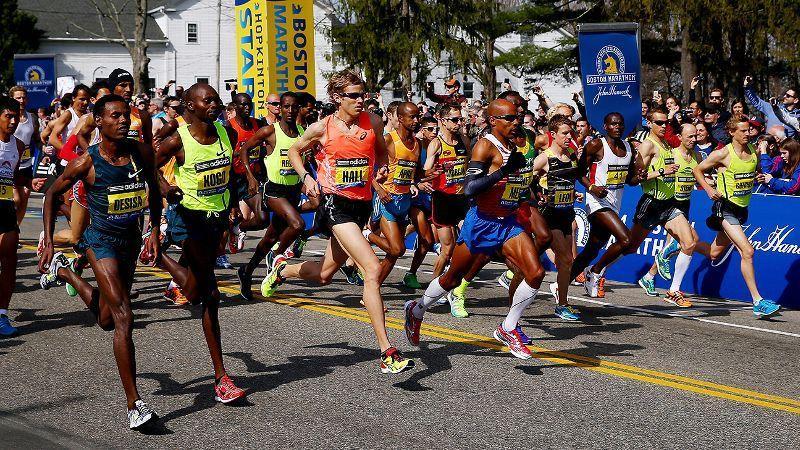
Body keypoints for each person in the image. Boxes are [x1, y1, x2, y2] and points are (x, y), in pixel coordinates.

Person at [258, 70, 414, 374]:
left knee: (325, 275)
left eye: (363, 94)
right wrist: (305, 176)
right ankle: (387, 351)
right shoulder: (322, 128)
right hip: (334, 206)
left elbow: (382, 156)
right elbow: (293, 149)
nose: (360, 100)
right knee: (371, 268)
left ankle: (282, 269)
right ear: (337, 98)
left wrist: (379, 172)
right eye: (353, 96)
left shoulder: (373, 122)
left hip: (361, 206)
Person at [38, 94, 162, 429]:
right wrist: (49, 240)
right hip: (100, 242)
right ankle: (135, 405)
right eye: (115, 116)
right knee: (124, 316)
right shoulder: (86, 162)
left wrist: (153, 231)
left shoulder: (139, 152)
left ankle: (65, 273)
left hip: (130, 242)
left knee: (107, 320)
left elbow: (154, 188)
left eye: (126, 115)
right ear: (99, 122)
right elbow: (50, 194)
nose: (123, 121)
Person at [405, 99, 544, 360]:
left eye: (517, 118)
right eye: (509, 119)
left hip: (508, 222)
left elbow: (518, 179)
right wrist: (504, 169)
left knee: (535, 273)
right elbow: (470, 187)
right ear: (493, 121)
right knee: (452, 279)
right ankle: (417, 309)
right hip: (482, 223)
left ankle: (508, 328)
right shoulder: (485, 146)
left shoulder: (517, 143)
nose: (515, 122)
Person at [153, 83, 247, 402]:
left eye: (216, 99)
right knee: (211, 294)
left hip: (216, 218)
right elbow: (150, 167)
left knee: (193, 292)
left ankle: (161, 263)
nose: (214, 104)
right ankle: (221, 378)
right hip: (188, 219)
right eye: (206, 100)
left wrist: (232, 204)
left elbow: (228, 174)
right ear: (189, 107)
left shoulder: (226, 133)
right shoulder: (177, 140)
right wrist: (165, 189)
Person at [692, 116, 781, 318]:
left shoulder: (752, 151)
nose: (747, 134)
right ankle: (758, 301)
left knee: (714, 253)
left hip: (742, 209)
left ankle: (685, 243)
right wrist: (707, 188)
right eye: (742, 130)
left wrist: (756, 177)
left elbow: (749, 172)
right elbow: (697, 169)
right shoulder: (723, 153)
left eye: (749, 130)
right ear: (732, 132)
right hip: (725, 208)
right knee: (747, 251)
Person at [235, 91, 309, 299]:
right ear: (280, 108)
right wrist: (250, 177)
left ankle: (246, 271)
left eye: (294, 107)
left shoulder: (303, 132)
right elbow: (244, 151)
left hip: (293, 191)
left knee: (269, 238)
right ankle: (276, 257)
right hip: (274, 191)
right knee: (298, 225)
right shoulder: (270, 131)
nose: (290, 111)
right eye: (286, 106)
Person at [624, 112, 700, 307]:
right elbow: (633, 179)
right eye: (659, 122)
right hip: (651, 203)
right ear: (649, 123)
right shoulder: (649, 145)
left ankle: (672, 290)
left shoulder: (668, 146)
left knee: (689, 243)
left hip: (672, 204)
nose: (664, 125)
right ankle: (598, 270)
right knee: (631, 246)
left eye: (666, 122)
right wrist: (660, 172)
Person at [570, 112, 640, 298]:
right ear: (605, 126)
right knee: (626, 239)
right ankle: (595, 271)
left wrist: (638, 177)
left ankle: (561, 284)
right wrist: (592, 187)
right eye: (613, 124)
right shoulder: (596, 145)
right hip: (596, 203)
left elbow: (630, 180)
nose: (617, 127)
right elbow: (579, 172)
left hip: (614, 204)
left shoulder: (628, 147)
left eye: (620, 124)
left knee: (591, 250)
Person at [363, 102, 422, 284]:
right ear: (400, 118)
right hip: (387, 198)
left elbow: (415, 173)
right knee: (397, 249)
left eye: (417, 116)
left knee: (393, 254)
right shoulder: (388, 139)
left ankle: (373, 290)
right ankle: (367, 234)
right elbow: (366, 167)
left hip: (404, 201)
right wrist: (378, 189)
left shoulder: (417, 144)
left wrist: (427, 178)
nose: (416, 120)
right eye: (412, 117)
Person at [532, 115, 582, 320]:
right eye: (565, 133)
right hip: (549, 215)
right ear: (553, 135)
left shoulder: (570, 155)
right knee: (565, 258)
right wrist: (538, 197)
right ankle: (561, 304)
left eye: (571, 133)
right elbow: (527, 179)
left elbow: (568, 182)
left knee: (565, 262)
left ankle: (562, 303)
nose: (569, 136)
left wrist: (573, 194)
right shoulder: (545, 157)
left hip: (566, 212)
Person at [0, 97, 27, 337]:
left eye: (15, 116)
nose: (13, 121)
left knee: (9, 260)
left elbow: (15, 178)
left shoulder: (18, 146)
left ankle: (2, 314)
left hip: (5, 207)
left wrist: (30, 183)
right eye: (8, 116)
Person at [403, 115, 439, 289]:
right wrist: (417, 183)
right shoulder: (415, 146)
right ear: (422, 130)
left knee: (429, 242)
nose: (435, 132)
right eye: (431, 129)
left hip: (435, 198)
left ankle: (417, 275)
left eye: (437, 129)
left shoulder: (439, 145)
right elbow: (408, 173)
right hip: (416, 199)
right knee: (426, 239)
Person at [9, 86, 39, 226]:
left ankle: (16, 229)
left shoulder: (32, 117)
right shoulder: (7, 118)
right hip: (10, 164)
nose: (21, 100)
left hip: (26, 164)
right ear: (11, 99)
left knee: (24, 198)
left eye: (23, 97)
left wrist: (45, 149)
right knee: (16, 199)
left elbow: (37, 138)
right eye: (18, 98)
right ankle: (8, 229)